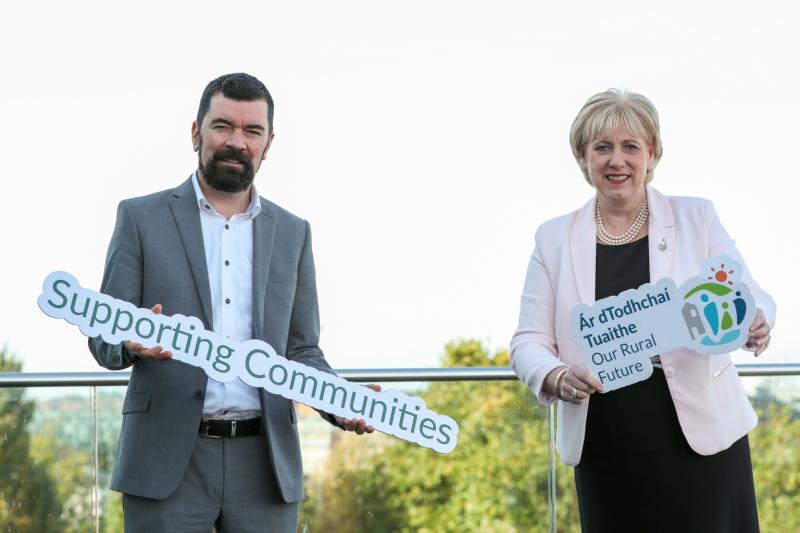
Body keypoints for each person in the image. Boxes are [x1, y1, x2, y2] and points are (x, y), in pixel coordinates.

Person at [89, 73, 377, 533]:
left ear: (268, 144)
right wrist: (128, 341)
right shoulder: (139, 217)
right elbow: (102, 337)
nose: (236, 141)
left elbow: (302, 351)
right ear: (196, 132)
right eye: (223, 126)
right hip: (165, 461)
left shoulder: (294, 233)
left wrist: (337, 402)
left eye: (252, 131)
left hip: (265, 465)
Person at [510, 89, 775, 532]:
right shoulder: (553, 239)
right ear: (583, 157)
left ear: (651, 155)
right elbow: (527, 342)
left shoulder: (697, 217)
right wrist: (555, 375)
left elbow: (748, 293)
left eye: (630, 147)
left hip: (704, 442)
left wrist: (757, 319)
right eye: (602, 148)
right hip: (606, 447)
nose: (617, 160)